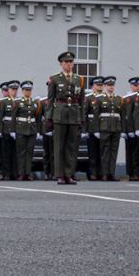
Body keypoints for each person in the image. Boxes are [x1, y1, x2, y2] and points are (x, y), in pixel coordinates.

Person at [46, 52, 85, 185]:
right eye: (66, 62)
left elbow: (82, 100)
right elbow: (50, 99)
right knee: (59, 146)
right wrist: (49, 117)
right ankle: (60, 175)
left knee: (71, 147)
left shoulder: (79, 79)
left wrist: (82, 118)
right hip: (60, 114)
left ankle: (69, 174)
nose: (69, 64)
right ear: (61, 64)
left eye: (71, 62)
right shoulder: (55, 79)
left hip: (74, 114)